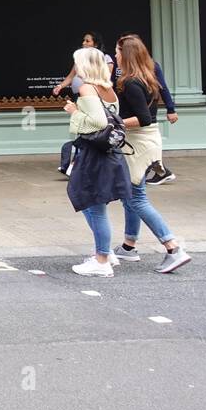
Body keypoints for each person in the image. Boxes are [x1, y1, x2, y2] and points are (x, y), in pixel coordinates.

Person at [111, 35, 191, 274]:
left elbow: (143, 118)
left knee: (136, 198)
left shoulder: (131, 82)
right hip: (145, 141)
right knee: (131, 195)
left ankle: (173, 248)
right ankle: (128, 246)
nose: (114, 56)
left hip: (139, 143)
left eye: (117, 52)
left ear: (126, 55)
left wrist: (114, 123)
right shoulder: (145, 76)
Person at [61, 47, 128, 277]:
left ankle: (102, 259)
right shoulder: (108, 89)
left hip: (93, 153)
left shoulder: (87, 88)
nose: (76, 68)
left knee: (94, 205)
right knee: (90, 201)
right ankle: (105, 252)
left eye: (78, 63)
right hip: (107, 153)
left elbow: (98, 122)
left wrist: (74, 112)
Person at [54, 33, 112, 177]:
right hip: (80, 97)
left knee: (89, 131)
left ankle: (77, 164)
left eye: (88, 41)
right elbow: (71, 75)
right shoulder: (80, 60)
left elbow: (106, 78)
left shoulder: (104, 60)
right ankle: (76, 163)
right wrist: (60, 86)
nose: (84, 43)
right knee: (81, 129)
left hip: (92, 98)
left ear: (95, 44)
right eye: (83, 40)